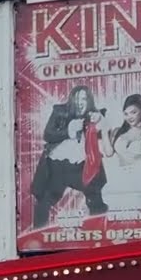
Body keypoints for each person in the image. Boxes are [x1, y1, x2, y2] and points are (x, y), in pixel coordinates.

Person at [29, 85, 110, 228]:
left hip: (82, 166)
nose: (79, 103)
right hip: (58, 165)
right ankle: (38, 233)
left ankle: (98, 232)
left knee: (96, 200)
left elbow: (105, 137)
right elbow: (48, 135)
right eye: (76, 99)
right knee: (45, 200)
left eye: (83, 99)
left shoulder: (95, 115)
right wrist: (68, 131)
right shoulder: (60, 111)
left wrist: (100, 120)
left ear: (89, 101)